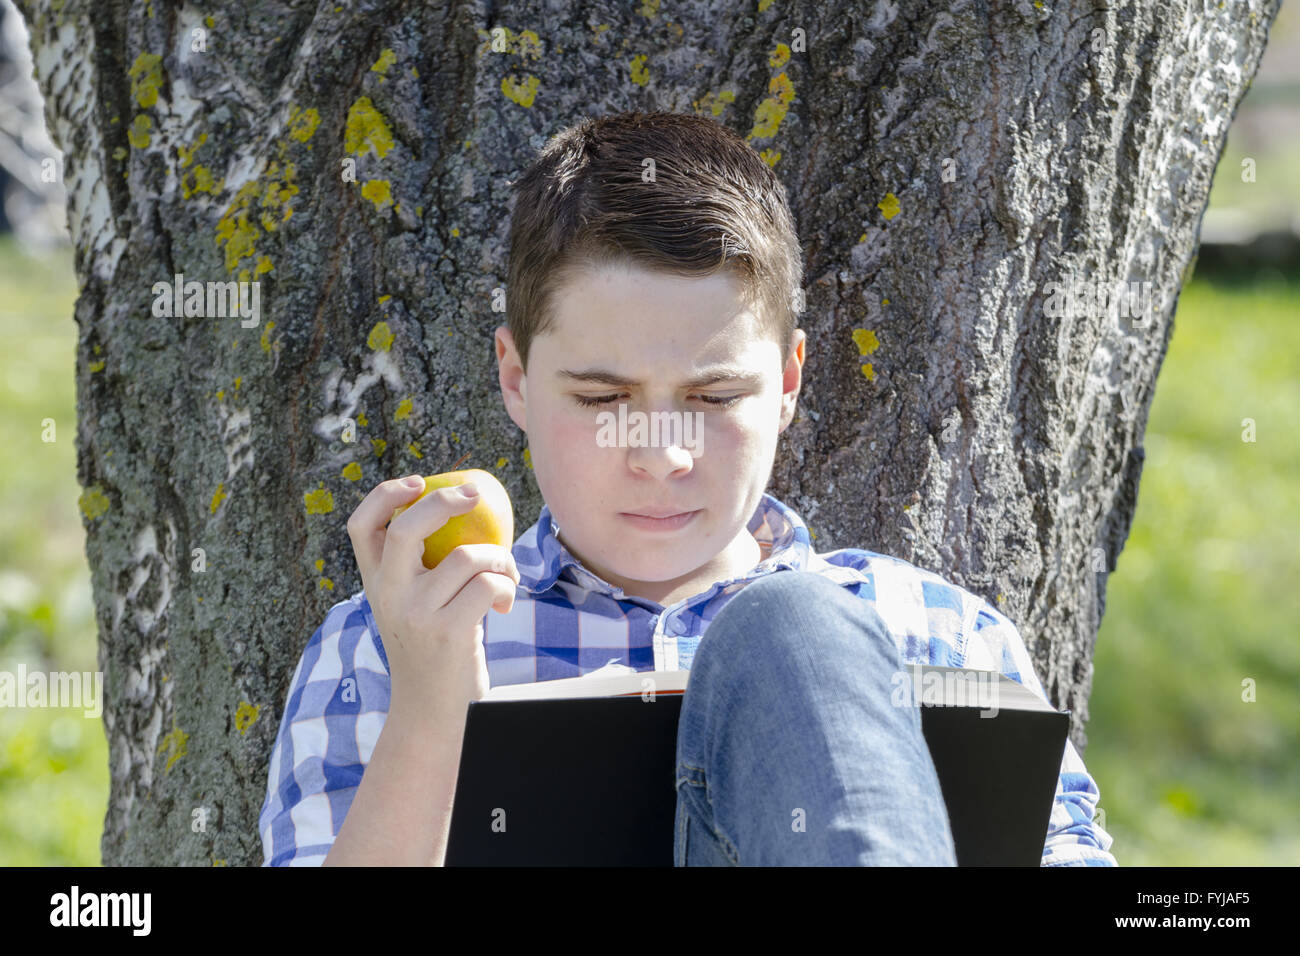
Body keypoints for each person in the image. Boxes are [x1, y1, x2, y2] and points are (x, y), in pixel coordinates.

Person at [258, 110, 1117, 867]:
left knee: (796, 631)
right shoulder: (390, 644)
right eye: (602, 400)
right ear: (515, 380)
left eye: (712, 398)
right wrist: (435, 710)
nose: (662, 455)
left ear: (786, 385)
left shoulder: (942, 634)